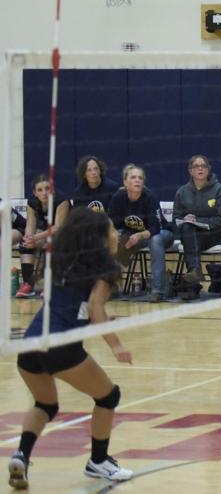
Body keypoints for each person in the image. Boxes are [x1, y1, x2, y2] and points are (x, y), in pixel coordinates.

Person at [8, 208, 134, 488]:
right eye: (112, 230)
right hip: (60, 346)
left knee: (46, 404)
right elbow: (94, 307)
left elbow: (73, 308)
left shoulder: (62, 262)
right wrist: (117, 345)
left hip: (31, 344)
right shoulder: (107, 269)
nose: (116, 234)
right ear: (100, 239)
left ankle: (22, 456)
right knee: (109, 397)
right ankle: (98, 461)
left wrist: (93, 320)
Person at [108, 164, 174, 302]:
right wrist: (118, 234)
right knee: (110, 240)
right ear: (125, 182)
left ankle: (157, 291)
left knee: (155, 240)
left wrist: (139, 236)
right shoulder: (118, 198)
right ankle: (110, 286)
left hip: (162, 233)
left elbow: (156, 228)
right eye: (133, 177)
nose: (137, 180)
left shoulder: (149, 197)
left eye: (140, 178)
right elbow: (113, 224)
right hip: (134, 236)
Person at [173, 155, 221, 297]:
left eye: (203, 166)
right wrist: (185, 219)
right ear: (190, 171)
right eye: (196, 166)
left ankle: (193, 279)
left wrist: (200, 221)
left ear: (208, 169)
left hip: (213, 234)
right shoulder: (182, 192)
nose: (200, 168)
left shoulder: (219, 190)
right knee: (188, 230)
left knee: (189, 239)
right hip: (191, 234)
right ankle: (194, 275)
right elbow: (176, 218)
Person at [53, 156, 120, 224]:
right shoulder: (79, 193)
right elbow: (78, 218)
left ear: (100, 170)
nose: (93, 172)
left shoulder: (113, 188)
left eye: (96, 169)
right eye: (89, 170)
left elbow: (117, 214)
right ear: (84, 174)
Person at [16, 175, 51, 298]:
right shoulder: (32, 203)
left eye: (47, 188)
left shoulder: (60, 201)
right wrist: (28, 238)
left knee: (50, 244)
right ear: (34, 193)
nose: (44, 193)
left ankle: (49, 285)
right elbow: (30, 225)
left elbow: (59, 228)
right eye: (40, 190)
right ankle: (28, 284)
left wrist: (36, 238)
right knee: (25, 245)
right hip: (43, 233)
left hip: (63, 235)